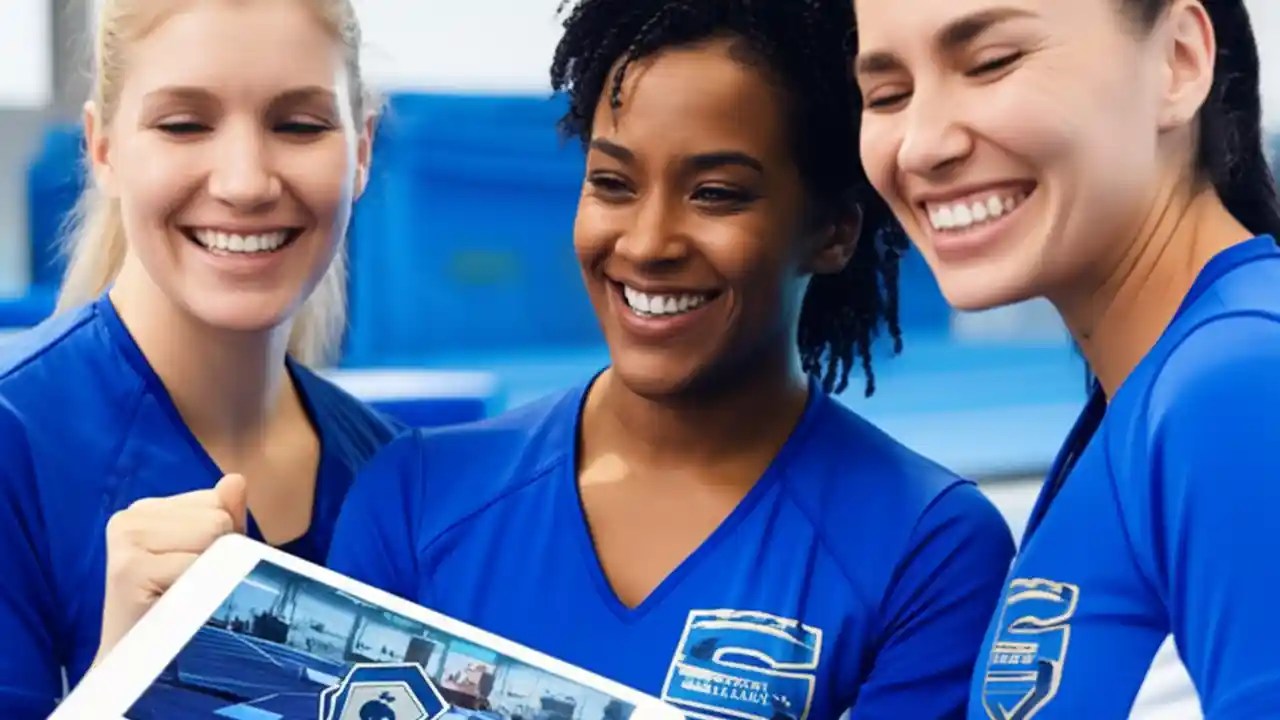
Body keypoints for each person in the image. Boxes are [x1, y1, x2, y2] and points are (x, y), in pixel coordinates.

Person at [328, 1, 1014, 717]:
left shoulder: (928, 549)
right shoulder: (416, 498)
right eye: (613, 183)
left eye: (715, 194)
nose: (649, 243)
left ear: (834, 231)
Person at [851, 0, 1280, 716]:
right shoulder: (1146, 401)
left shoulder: (1236, 383)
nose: (921, 146)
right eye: (888, 94)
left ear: (1178, 60)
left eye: (992, 63)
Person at [0, 0, 400, 714]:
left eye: (299, 126)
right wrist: (118, 679)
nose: (245, 182)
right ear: (103, 150)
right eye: (184, 125)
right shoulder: (16, 444)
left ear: (362, 149)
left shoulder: (396, 477)